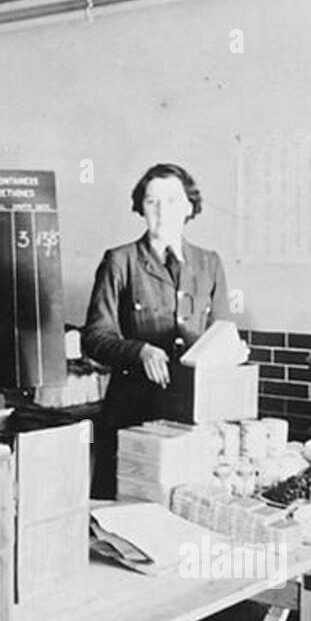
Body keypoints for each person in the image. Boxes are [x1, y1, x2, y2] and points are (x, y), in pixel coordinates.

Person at [82, 163, 232, 498]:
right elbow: (94, 337)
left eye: (173, 201)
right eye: (152, 202)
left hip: (191, 418)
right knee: (120, 517)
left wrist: (230, 352)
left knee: (184, 508)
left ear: (190, 207)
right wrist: (139, 351)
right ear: (140, 208)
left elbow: (221, 334)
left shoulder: (209, 263)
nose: (162, 211)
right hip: (131, 414)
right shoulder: (120, 261)